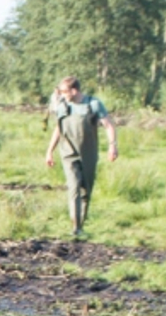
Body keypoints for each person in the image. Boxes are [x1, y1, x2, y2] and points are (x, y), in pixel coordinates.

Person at [43, 76, 118, 235]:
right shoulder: (63, 105)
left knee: (86, 191)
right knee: (74, 187)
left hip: (88, 154)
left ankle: (81, 225)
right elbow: (58, 129)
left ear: (74, 90)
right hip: (68, 153)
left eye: (64, 92)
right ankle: (75, 228)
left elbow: (109, 125)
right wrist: (50, 151)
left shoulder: (93, 104)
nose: (61, 95)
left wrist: (112, 146)